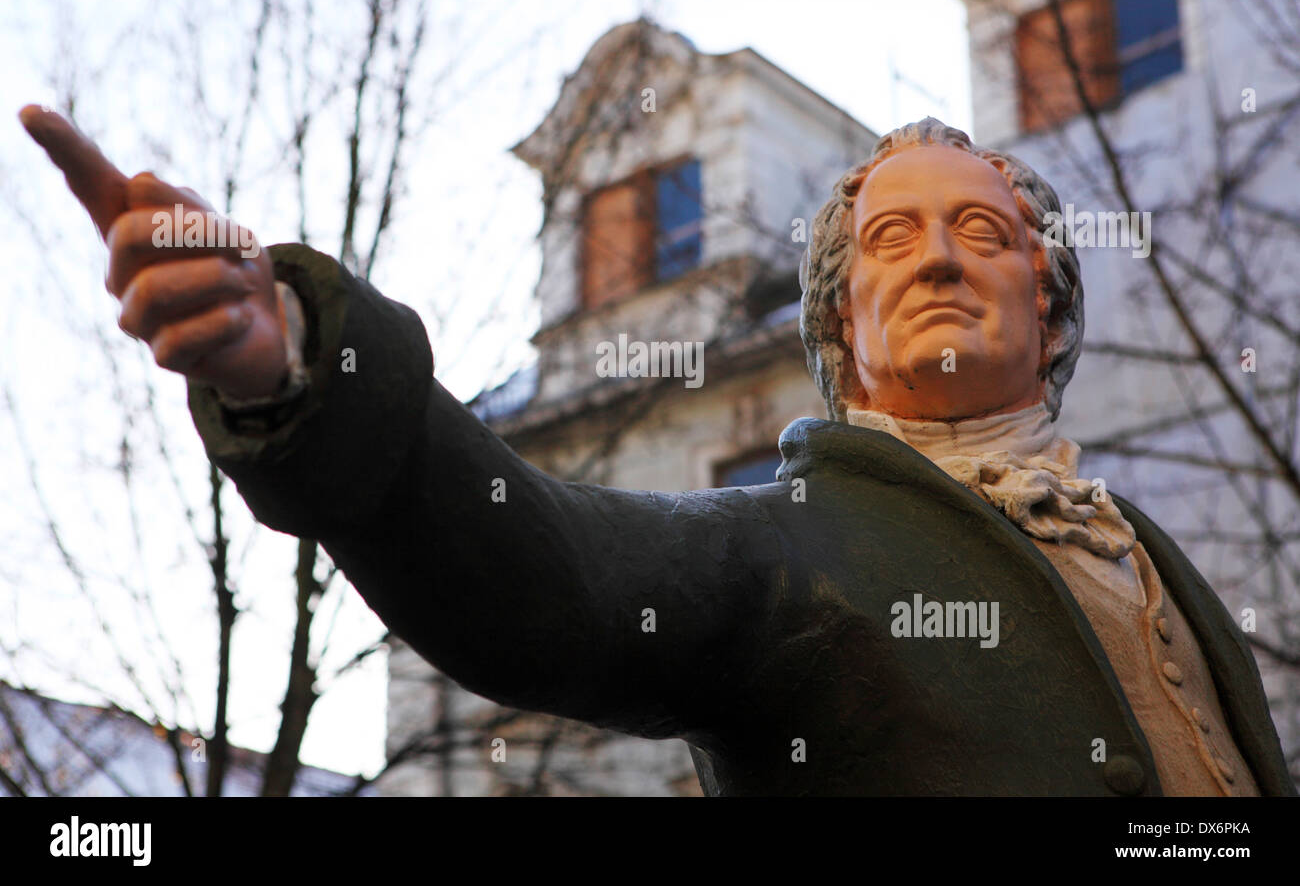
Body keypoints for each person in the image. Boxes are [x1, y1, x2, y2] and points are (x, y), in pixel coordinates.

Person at [21, 106, 1293, 796]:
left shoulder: (1162, 563)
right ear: (839, 323)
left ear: (1053, 301)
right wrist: (305, 357)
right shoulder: (791, 539)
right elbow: (543, 574)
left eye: (979, 229)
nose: (945, 258)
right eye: (895, 243)